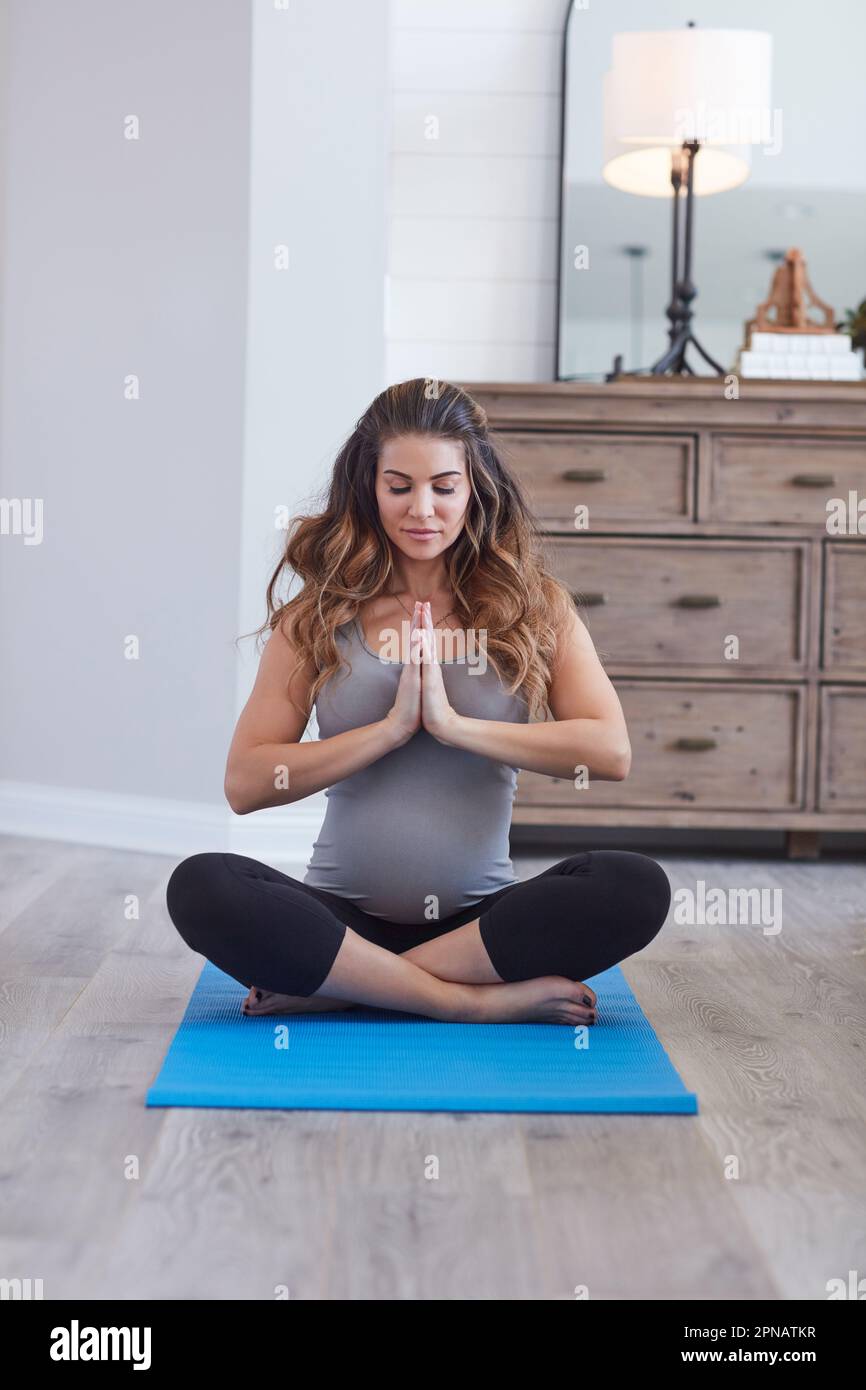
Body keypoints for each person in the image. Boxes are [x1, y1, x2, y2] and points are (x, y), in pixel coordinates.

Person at [166, 379, 671, 1026]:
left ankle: (356, 987)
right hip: (342, 923)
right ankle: (463, 1002)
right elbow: (244, 783)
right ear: (369, 489)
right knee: (203, 888)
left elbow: (609, 751)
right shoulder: (317, 617)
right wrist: (389, 730)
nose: (422, 509)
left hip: (477, 930)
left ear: (474, 488)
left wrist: (455, 727)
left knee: (634, 886)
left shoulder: (536, 607)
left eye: (444, 486)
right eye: (399, 486)